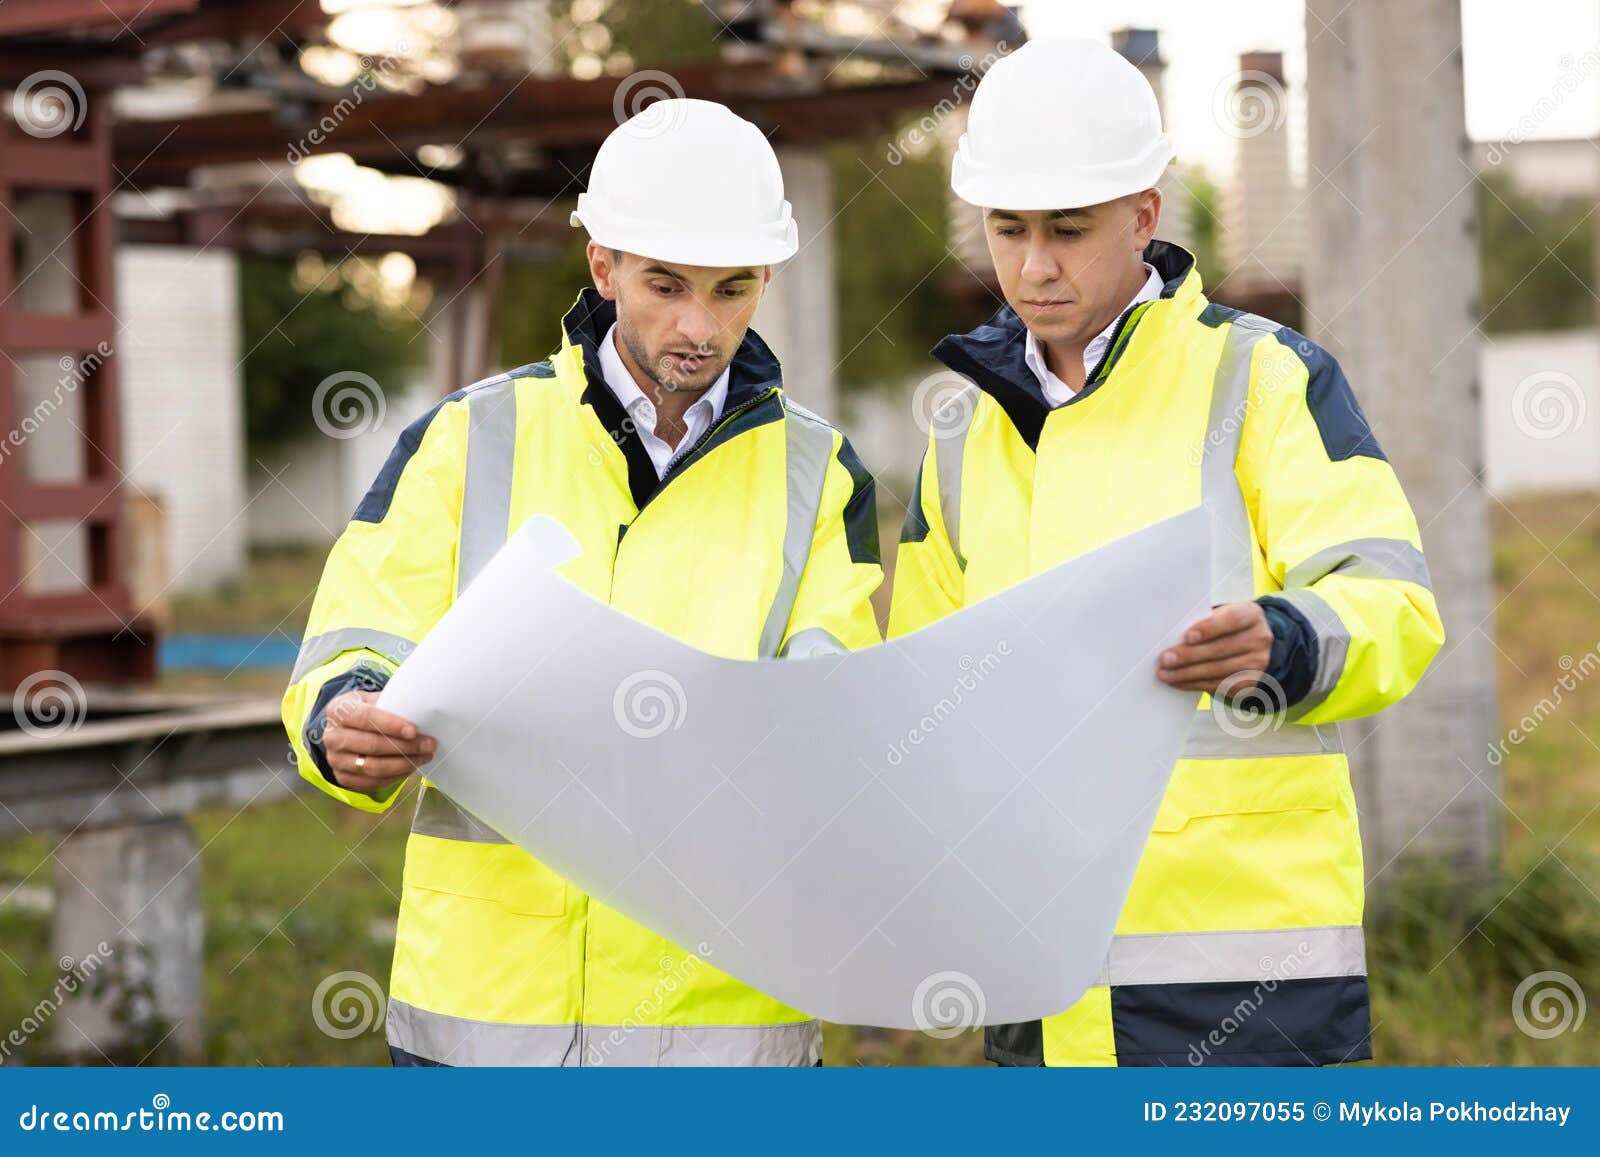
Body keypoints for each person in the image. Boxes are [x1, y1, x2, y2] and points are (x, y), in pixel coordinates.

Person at [282, 98, 882, 1067]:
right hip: (485, 1027)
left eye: (733, 289)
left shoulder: (818, 474)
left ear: (766, 276)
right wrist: (342, 714)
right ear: (602, 265)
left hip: (721, 1036)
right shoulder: (466, 439)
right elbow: (357, 635)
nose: (699, 326)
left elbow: (833, 699)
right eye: (665, 285)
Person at [889, 36, 1444, 1066]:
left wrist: (1283, 641)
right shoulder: (960, 435)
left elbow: (1393, 600)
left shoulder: (1264, 378)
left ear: (1144, 214)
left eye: (1068, 229)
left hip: (1249, 987)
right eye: (1009, 229)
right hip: (1040, 975)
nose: (1034, 265)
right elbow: (924, 687)